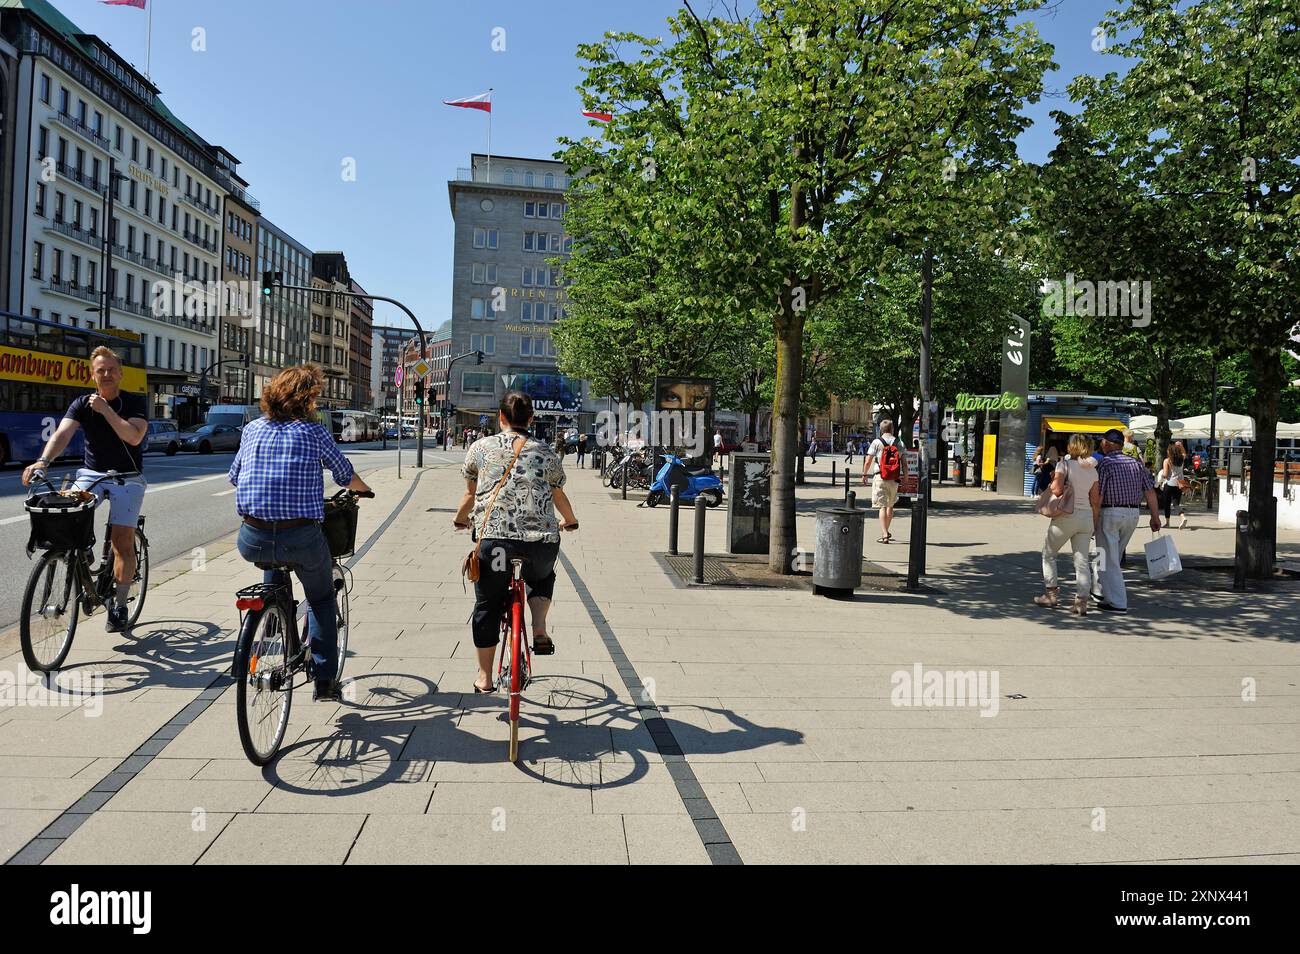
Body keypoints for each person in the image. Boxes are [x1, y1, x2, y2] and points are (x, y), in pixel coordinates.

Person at [228, 365, 373, 702]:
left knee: (273, 554)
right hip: (301, 537)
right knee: (321, 598)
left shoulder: (252, 429)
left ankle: (275, 610)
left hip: (251, 538)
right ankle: (324, 680)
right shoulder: (314, 432)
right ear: (308, 399)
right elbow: (343, 474)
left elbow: (234, 477)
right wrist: (364, 491)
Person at [454, 391, 579, 693]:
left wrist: (459, 519)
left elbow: (471, 495)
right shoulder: (547, 452)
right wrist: (570, 520)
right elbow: (558, 494)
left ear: (500, 417)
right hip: (540, 544)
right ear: (531, 419)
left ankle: (484, 677)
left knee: (487, 603)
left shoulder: (480, 448)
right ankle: (538, 628)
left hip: (494, 541)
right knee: (543, 576)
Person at [21, 346, 149, 633]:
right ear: (93, 375)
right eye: (100, 370)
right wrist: (43, 461)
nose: (106, 375)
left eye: (111, 370)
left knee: (121, 543)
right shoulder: (81, 404)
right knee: (67, 514)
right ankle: (84, 549)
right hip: (92, 474)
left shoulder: (134, 402)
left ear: (120, 373)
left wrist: (105, 410)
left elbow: (133, 436)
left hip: (127, 478)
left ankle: (119, 604)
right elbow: (62, 434)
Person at [1093, 427, 1161, 613]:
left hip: (1110, 513)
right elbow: (1150, 492)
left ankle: (1118, 601)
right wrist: (1155, 517)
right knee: (1108, 557)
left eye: (1102, 441)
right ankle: (1101, 591)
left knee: (1108, 559)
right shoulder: (1135, 463)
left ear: (1107, 443)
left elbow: (1098, 496)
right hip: (1132, 514)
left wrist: (1093, 519)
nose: (1101, 443)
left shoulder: (1105, 464)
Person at [1033, 434, 1102, 615]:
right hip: (1086, 518)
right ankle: (1081, 602)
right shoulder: (1093, 470)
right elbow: (1095, 500)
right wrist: (1094, 522)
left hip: (1066, 516)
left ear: (1073, 447)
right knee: (1081, 562)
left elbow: (1056, 489)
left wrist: (1057, 480)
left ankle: (1051, 594)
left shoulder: (1064, 464)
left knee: (1048, 554)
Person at [862, 421, 907, 543]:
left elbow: (868, 460)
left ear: (881, 430)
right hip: (894, 478)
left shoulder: (876, 442)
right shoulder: (899, 442)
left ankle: (884, 533)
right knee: (890, 506)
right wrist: (906, 478)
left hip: (880, 477)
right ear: (892, 429)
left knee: (882, 506)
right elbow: (904, 463)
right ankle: (886, 530)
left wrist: (865, 474)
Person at [1157, 441, 1189, 529]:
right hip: (1179, 484)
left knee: (1167, 504)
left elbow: (1166, 474)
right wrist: (1180, 445)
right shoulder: (1182, 459)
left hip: (1169, 484)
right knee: (1176, 503)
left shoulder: (1167, 461)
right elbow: (1184, 453)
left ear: (1170, 452)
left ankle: (1167, 523)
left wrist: (1161, 475)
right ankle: (1183, 517)